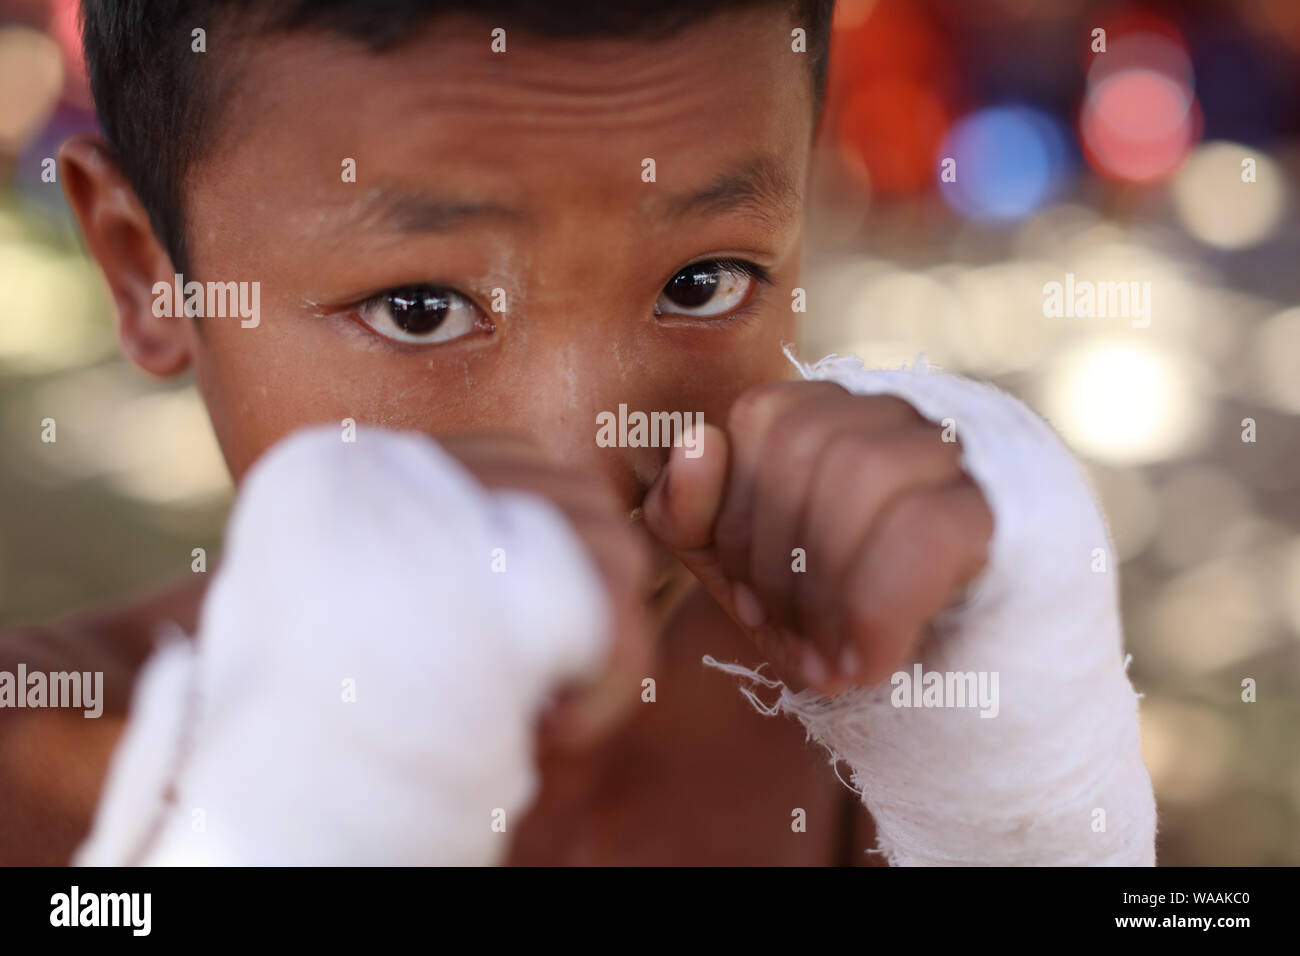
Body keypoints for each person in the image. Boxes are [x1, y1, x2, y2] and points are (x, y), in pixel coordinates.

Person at [0, 0, 1155, 865]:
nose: (589, 463)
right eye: (420, 309)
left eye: (703, 281)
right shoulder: (45, 767)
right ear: (150, 271)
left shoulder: (867, 706)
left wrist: (1026, 801)